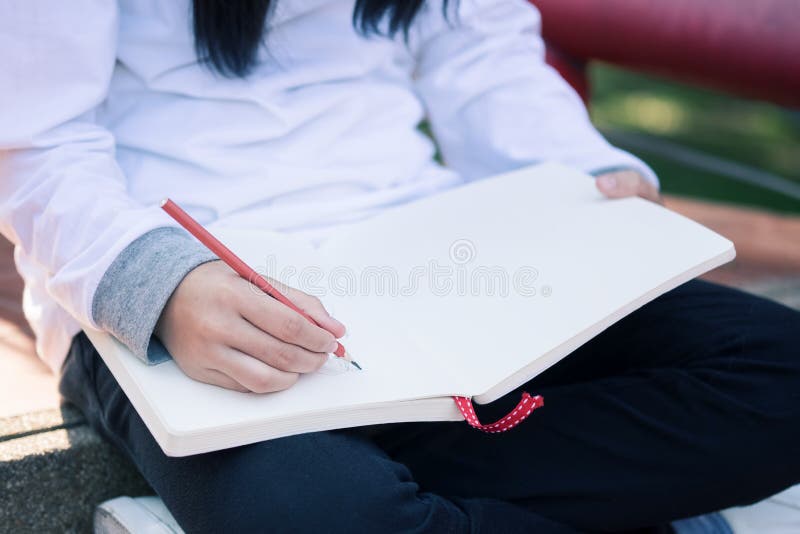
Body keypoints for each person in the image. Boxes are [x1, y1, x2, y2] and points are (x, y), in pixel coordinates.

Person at [1, 1, 798, 532]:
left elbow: (483, 55)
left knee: (782, 375)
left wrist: (583, 172)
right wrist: (165, 286)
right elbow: (36, 144)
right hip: (194, 277)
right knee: (314, 510)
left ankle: (411, 462)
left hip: (429, 235)